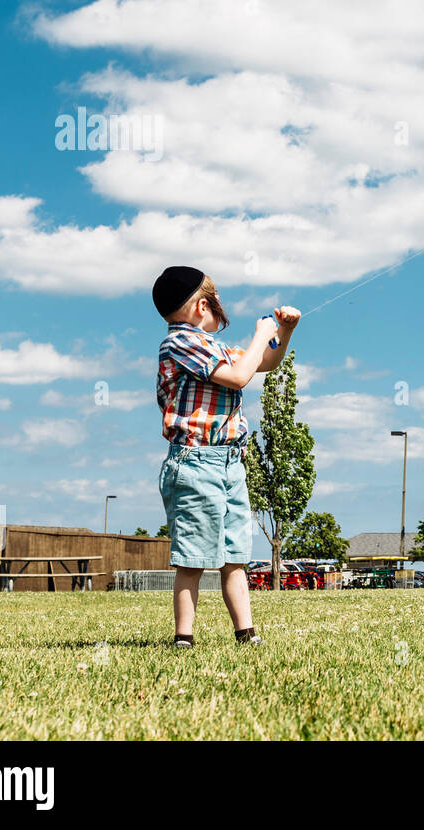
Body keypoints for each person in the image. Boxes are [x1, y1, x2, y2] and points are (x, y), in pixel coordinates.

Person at [152, 265, 302, 649]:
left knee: (235, 555)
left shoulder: (213, 346)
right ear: (204, 305)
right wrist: (260, 334)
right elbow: (238, 377)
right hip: (195, 463)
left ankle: (245, 633)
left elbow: (263, 363)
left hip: (229, 463)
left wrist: (283, 333)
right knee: (193, 558)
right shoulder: (180, 344)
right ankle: (183, 638)